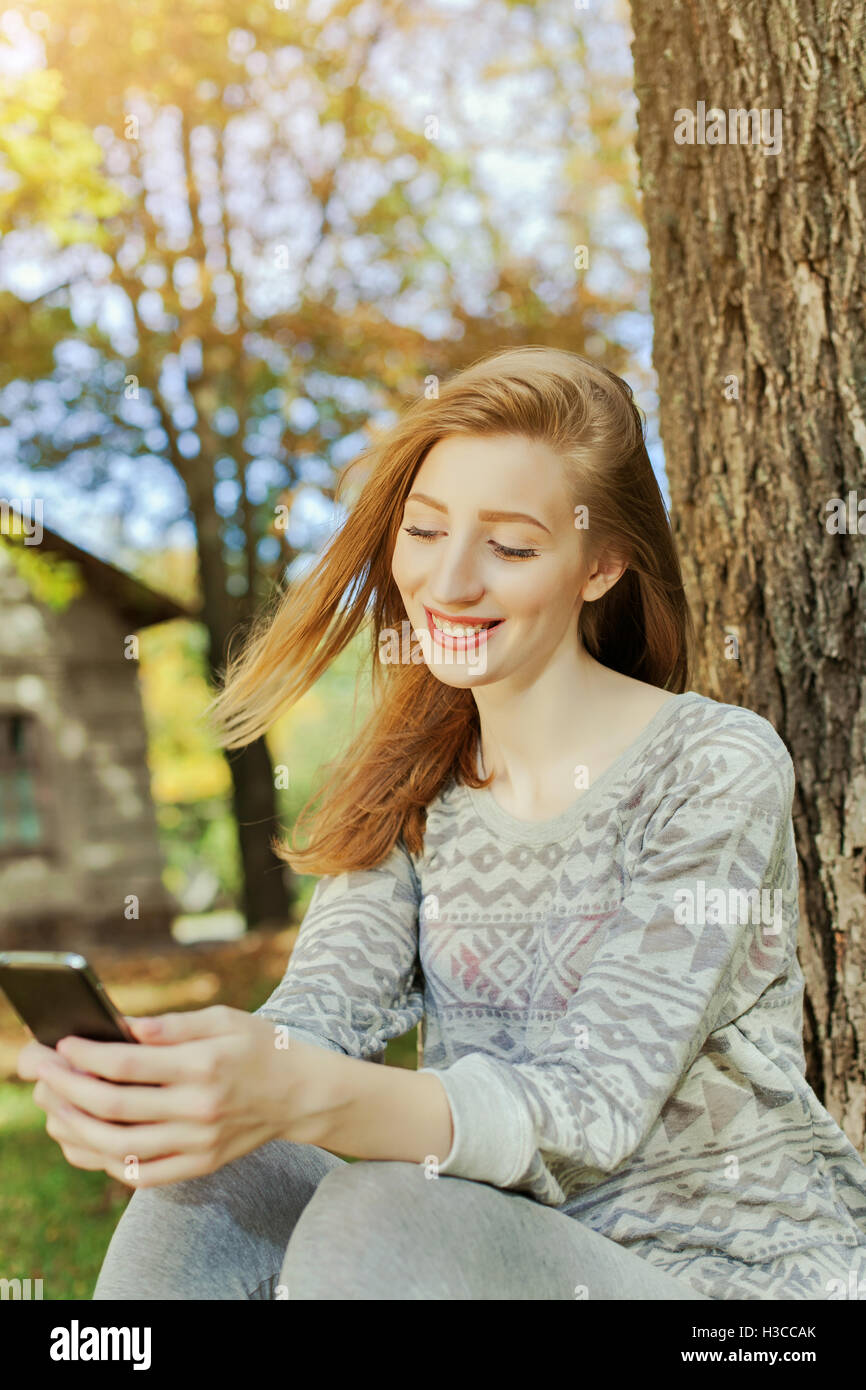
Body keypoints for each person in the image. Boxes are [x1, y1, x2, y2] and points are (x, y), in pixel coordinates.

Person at [20, 346, 866, 1300]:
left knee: (386, 1209)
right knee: (221, 1175)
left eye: (510, 547)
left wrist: (301, 1091)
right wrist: (192, 1080)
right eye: (424, 530)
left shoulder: (716, 766)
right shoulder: (415, 783)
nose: (449, 581)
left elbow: (590, 1110)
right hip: (488, 1255)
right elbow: (317, 1024)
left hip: (733, 1300)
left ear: (602, 566)